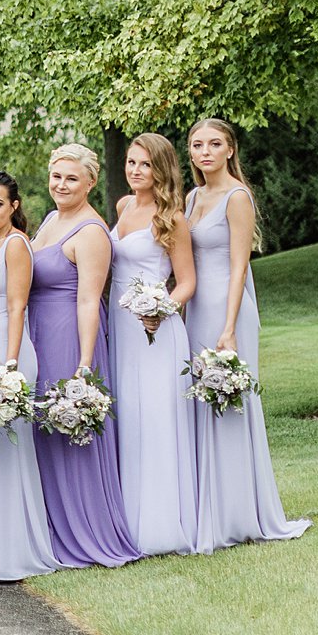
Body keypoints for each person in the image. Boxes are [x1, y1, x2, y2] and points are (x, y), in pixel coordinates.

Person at [184, 118, 311, 552]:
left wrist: (228, 328)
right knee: (200, 401)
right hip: (196, 307)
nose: (205, 152)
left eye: (214, 144)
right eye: (198, 144)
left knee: (231, 406)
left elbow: (240, 265)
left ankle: (239, 514)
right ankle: (208, 509)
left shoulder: (238, 197)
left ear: (230, 150)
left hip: (228, 307)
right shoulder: (192, 197)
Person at [27, 145, 141, 568]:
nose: (61, 184)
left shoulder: (91, 232)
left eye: (71, 178)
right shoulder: (52, 219)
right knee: (43, 432)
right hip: (36, 333)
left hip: (69, 337)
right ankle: (50, 529)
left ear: (91, 182)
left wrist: (84, 364)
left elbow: (90, 300)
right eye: (56, 176)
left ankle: (86, 531)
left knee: (69, 430)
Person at [107, 134, 199, 557]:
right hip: (119, 327)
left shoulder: (172, 216)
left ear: (161, 169)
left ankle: (160, 524)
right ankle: (126, 516)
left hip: (154, 329)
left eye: (144, 164)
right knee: (129, 414)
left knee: (156, 417)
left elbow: (187, 282)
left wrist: (160, 309)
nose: (135, 170)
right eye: (130, 162)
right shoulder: (124, 207)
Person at [0, 171, 59, 580]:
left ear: (14, 206)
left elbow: (18, 306)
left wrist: (8, 368)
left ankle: (18, 550)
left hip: (11, 354)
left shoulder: (17, 244)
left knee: (11, 447)